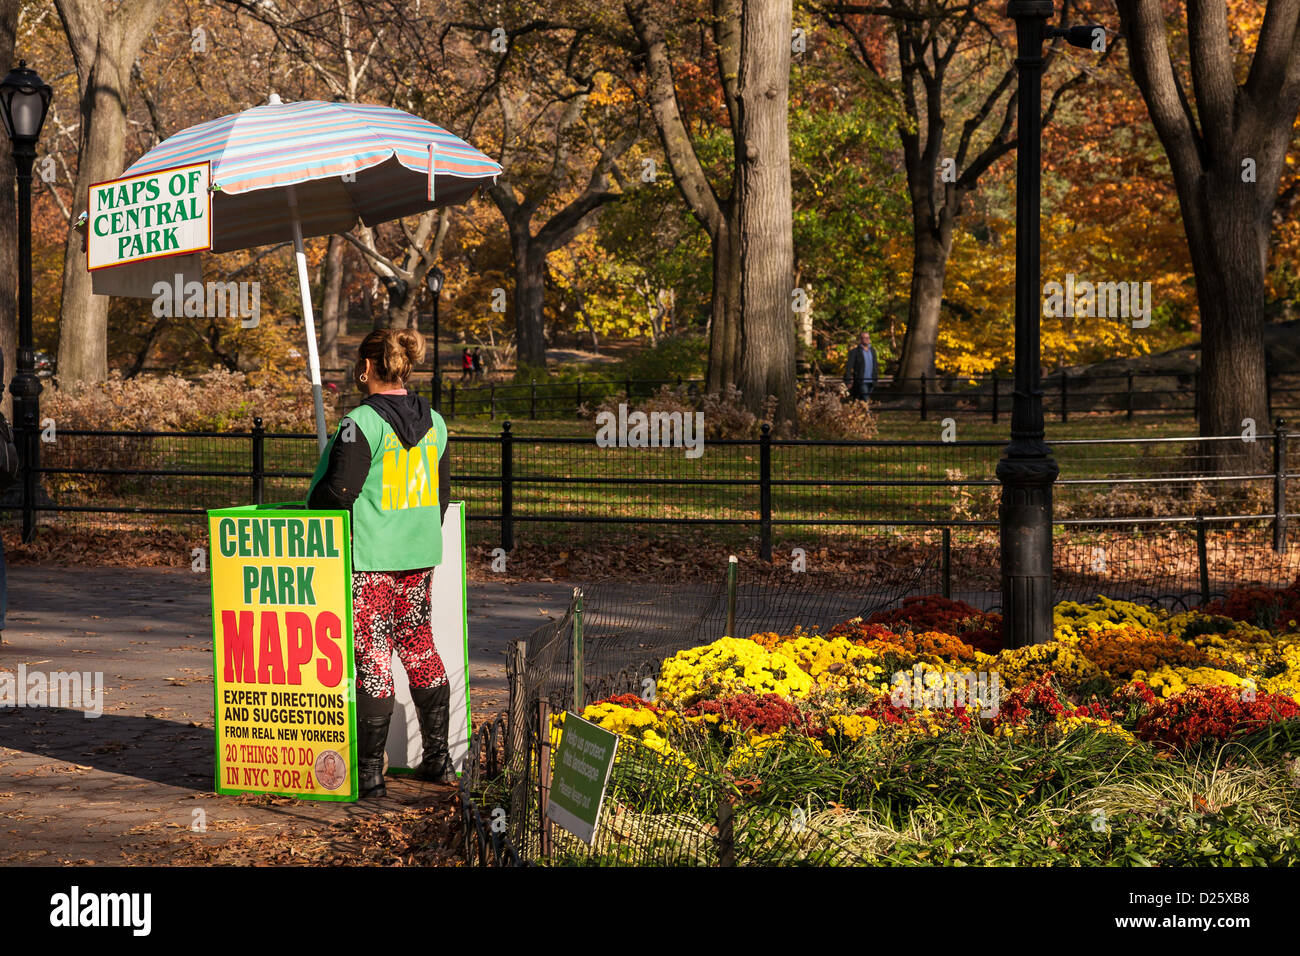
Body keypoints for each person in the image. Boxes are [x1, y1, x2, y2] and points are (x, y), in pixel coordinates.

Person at [307, 328, 454, 798]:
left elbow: (338, 494)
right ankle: (439, 760)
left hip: (370, 559)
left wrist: (311, 501)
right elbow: (441, 495)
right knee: (420, 648)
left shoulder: (359, 422)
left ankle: (370, 773)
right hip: (419, 557)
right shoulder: (436, 420)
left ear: (366, 368)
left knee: (372, 657)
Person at [843, 331, 879, 401]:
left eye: (868, 338)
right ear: (861, 339)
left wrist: (876, 379)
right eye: (864, 338)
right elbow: (848, 367)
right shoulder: (854, 352)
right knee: (866, 399)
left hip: (871, 381)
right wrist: (848, 381)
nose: (866, 339)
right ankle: (867, 411)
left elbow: (875, 365)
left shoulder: (873, 351)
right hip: (861, 381)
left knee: (862, 399)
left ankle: (859, 411)